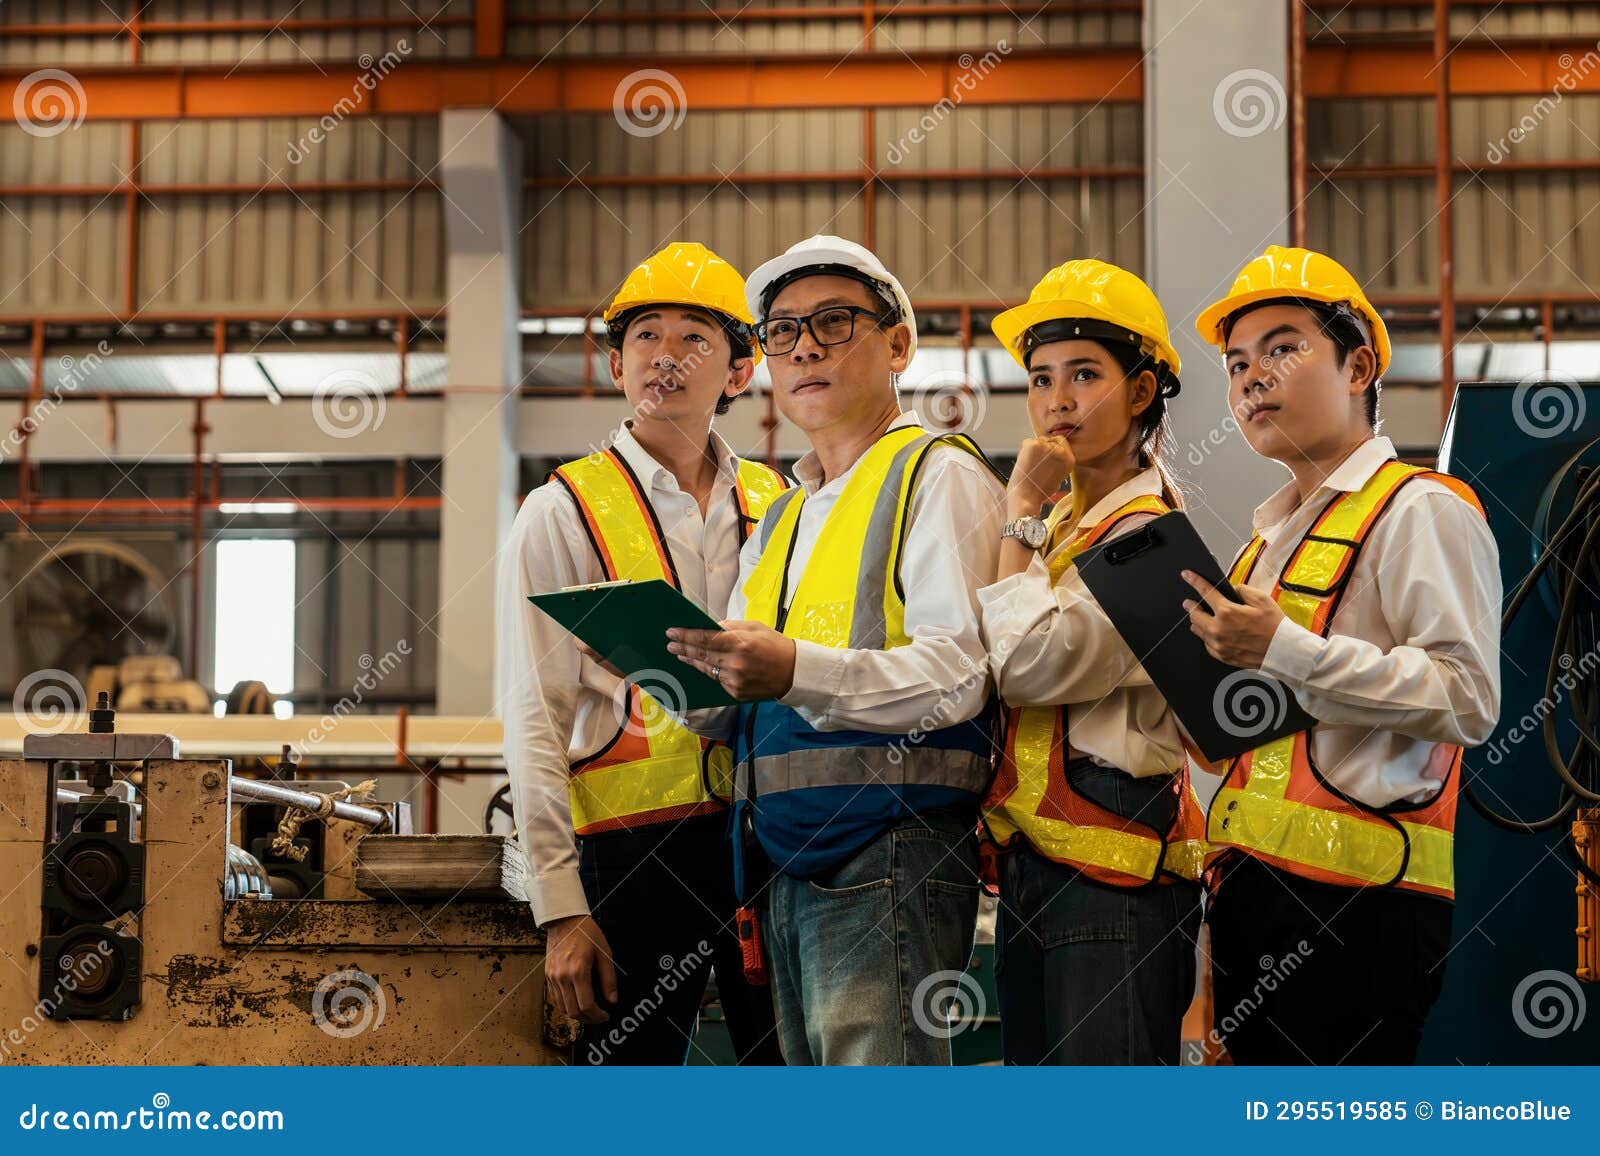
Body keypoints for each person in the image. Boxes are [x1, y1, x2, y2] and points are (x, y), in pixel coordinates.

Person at [665, 235, 1007, 1065]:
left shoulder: (938, 475)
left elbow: (959, 676)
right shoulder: (784, 514)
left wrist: (795, 670)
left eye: (833, 321)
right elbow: (742, 699)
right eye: (781, 332)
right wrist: (661, 667)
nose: (803, 346)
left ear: (898, 345)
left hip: (889, 851)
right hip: (781, 861)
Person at [1185, 244, 1501, 1064]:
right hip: (1246, 900)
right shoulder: (1260, 549)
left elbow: (1467, 697)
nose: (1252, 377)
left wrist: (1284, 647)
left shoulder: (1421, 511)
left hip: (1362, 916)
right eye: (1236, 362)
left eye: (1284, 347)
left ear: (1358, 366)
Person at [498, 241, 787, 1065]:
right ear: (617, 363)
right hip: (630, 858)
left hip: (769, 843)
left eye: (695, 337)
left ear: (737, 371)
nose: (665, 356)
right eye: (645, 336)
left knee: (789, 1081)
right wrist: (559, 905)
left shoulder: (783, 504)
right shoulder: (562, 511)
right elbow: (534, 712)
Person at [977, 258, 1206, 1065]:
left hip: (1116, 881)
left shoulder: (1149, 539)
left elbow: (1025, 665)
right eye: (1041, 379)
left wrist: (1016, 512)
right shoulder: (1073, 528)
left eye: (1084, 374)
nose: (1057, 401)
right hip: (1040, 866)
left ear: (1141, 392)